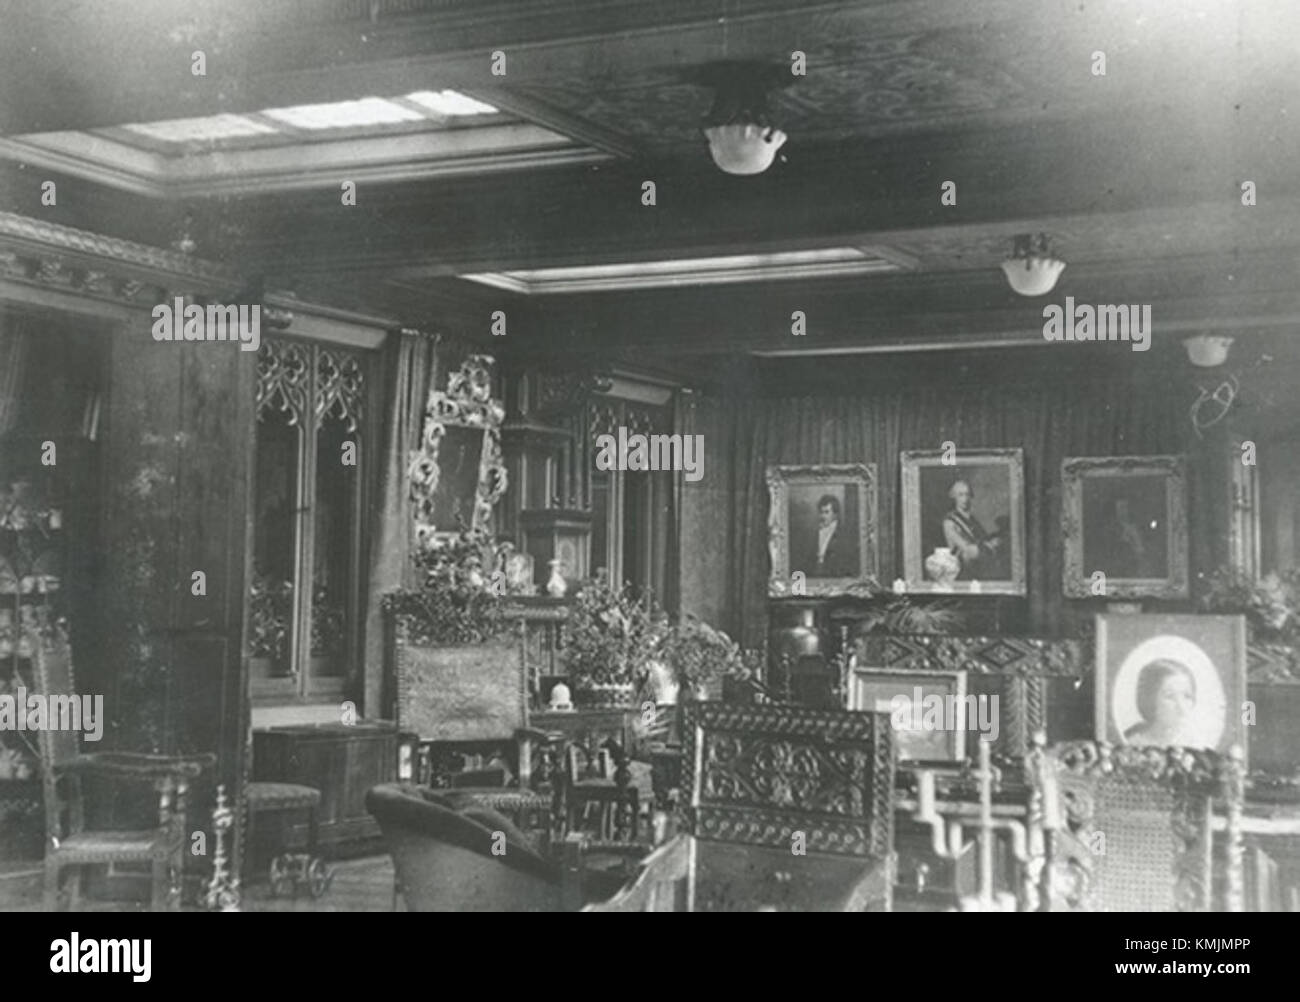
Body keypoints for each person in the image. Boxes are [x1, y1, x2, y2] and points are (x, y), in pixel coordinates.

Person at [1122, 658, 1203, 747]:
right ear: (1150, 700)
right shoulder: (1132, 743)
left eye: (1187, 696)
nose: (1181, 707)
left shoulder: (1197, 743)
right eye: (1170, 696)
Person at [941, 480, 1004, 581]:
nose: (965, 499)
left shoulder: (972, 519)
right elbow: (968, 550)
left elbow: (981, 539)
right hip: (962, 572)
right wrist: (989, 546)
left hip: (979, 567)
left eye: (967, 494)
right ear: (954, 497)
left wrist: (993, 541)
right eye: (960, 495)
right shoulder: (949, 522)